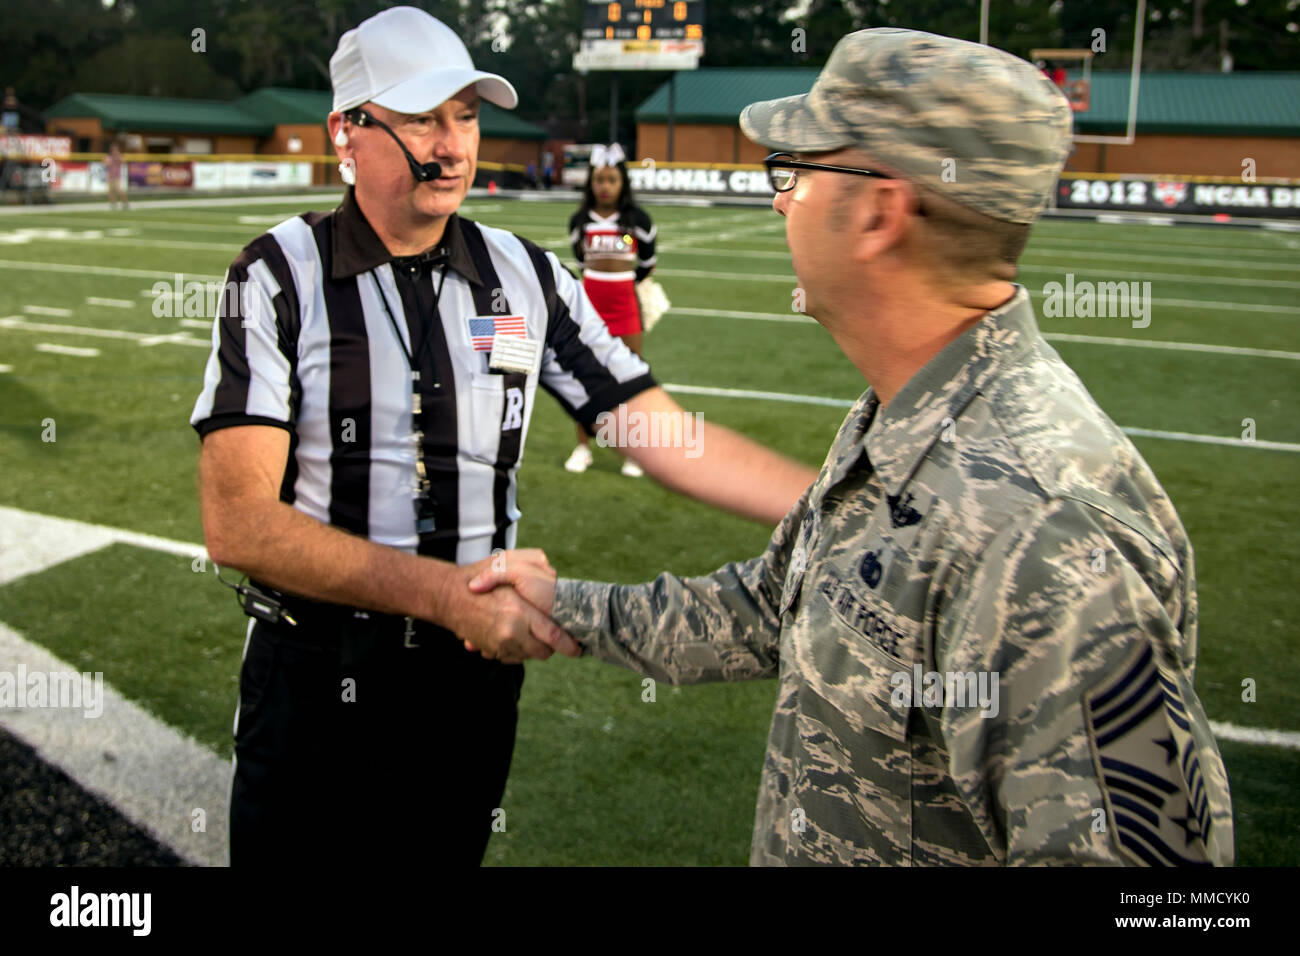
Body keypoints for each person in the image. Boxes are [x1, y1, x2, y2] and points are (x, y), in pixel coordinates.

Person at [472, 28, 1235, 866]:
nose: (778, 198)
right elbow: (770, 608)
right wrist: (568, 606)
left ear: (880, 210)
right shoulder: (906, 411)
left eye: (796, 171)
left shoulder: (1049, 533)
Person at [190, 5, 814, 869]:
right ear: (347, 131)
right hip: (319, 671)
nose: (451, 145)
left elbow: (653, 427)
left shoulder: (527, 275)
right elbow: (239, 525)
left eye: (467, 115)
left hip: (469, 680)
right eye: (419, 116)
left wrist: (831, 505)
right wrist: (442, 593)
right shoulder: (275, 277)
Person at [564, 144, 657, 477]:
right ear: (590, 182)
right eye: (599, 179)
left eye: (612, 179)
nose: (604, 186)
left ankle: (632, 453)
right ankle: (583, 446)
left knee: (630, 380)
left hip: (626, 310)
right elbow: (581, 262)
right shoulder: (579, 221)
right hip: (589, 310)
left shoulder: (639, 221)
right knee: (584, 380)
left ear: (623, 183)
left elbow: (647, 264)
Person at [105, 142, 127, 211]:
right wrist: (111, 160)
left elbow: (123, 161)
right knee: (111, 191)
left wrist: (118, 158)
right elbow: (106, 163)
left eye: (115, 150)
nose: (114, 151)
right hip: (110, 176)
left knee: (119, 190)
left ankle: (124, 203)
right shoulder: (109, 157)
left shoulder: (119, 156)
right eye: (113, 150)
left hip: (117, 176)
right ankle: (113, 204)